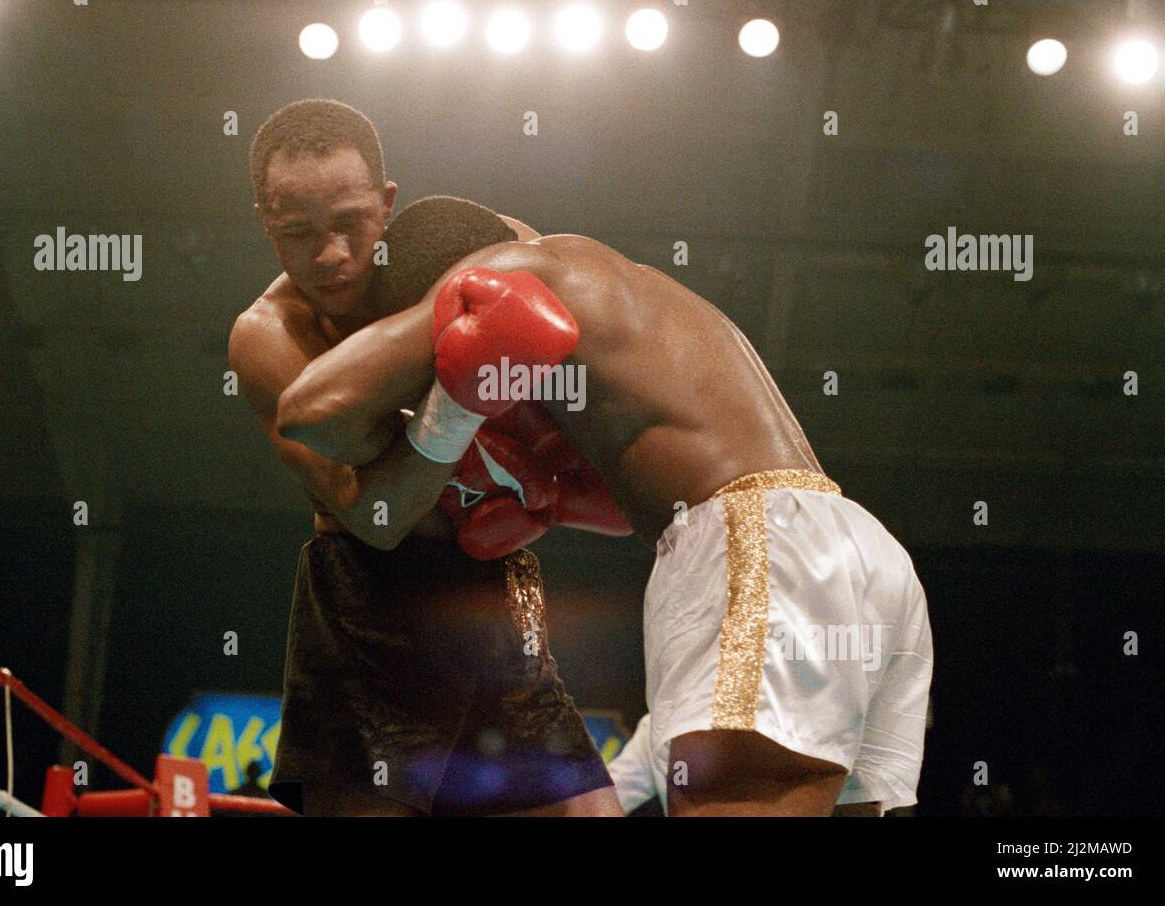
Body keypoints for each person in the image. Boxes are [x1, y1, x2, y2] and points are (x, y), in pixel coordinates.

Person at [276, 225, 934, 816]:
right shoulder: (614, 286)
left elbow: (310, 408)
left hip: (757, 546)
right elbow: (626, 504)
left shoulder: (506, 275)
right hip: (856, 553)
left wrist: (449, 402)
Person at [229, 99, 622, 815]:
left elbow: (599, 361)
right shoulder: (268, 336)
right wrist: (463, 397)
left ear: (387, 204)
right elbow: (378, 516)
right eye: (298, 232)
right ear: (265, 221)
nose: (330, 254)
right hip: (371, 600)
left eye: (349, 222)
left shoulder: (477, 260)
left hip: (493, 586)